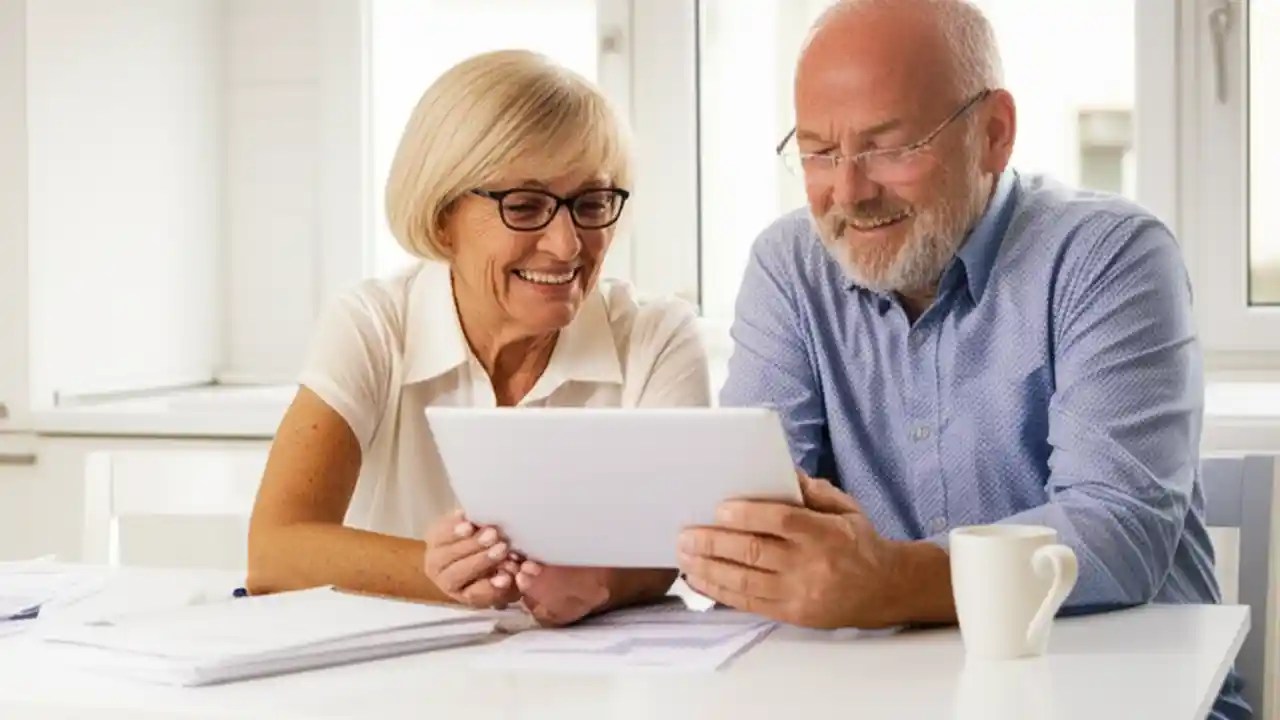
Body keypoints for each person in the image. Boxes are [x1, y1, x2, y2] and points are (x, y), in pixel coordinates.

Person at [675, 1, 1246, 717]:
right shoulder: (789, 268)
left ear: (994, 134)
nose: (848, 191)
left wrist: (887, 580)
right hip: (885, 698)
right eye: (819, 152)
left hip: (1125, 693)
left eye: (889, 146)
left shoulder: (1112, 256)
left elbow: (1118, 528)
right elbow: (755, 511)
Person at [247, 49, 709, 627]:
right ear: (443, 218)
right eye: (525, 206)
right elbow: (274, 551)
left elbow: (675, 543)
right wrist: (441, 573)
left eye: (591, 204)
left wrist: (598, 582)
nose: (567, 245)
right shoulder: (373, 325)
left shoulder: (657, 336)